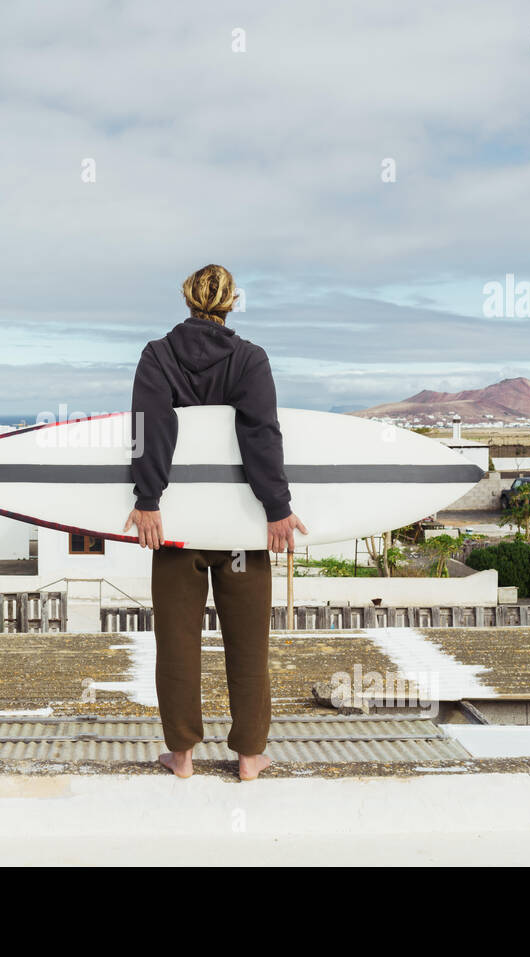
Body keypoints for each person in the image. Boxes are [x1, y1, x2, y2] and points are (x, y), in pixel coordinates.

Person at [123, 264, 307, 781]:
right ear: (232, 302)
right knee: (249, 645)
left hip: (177, 528)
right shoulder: (250, 359)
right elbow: (261, 434)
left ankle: (181, 755)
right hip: (243, 530)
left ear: (187, 300)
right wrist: (277, 508)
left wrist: (149, 499)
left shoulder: (157, 355)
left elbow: (149, 427)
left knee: (177, 644)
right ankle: (249, 756)